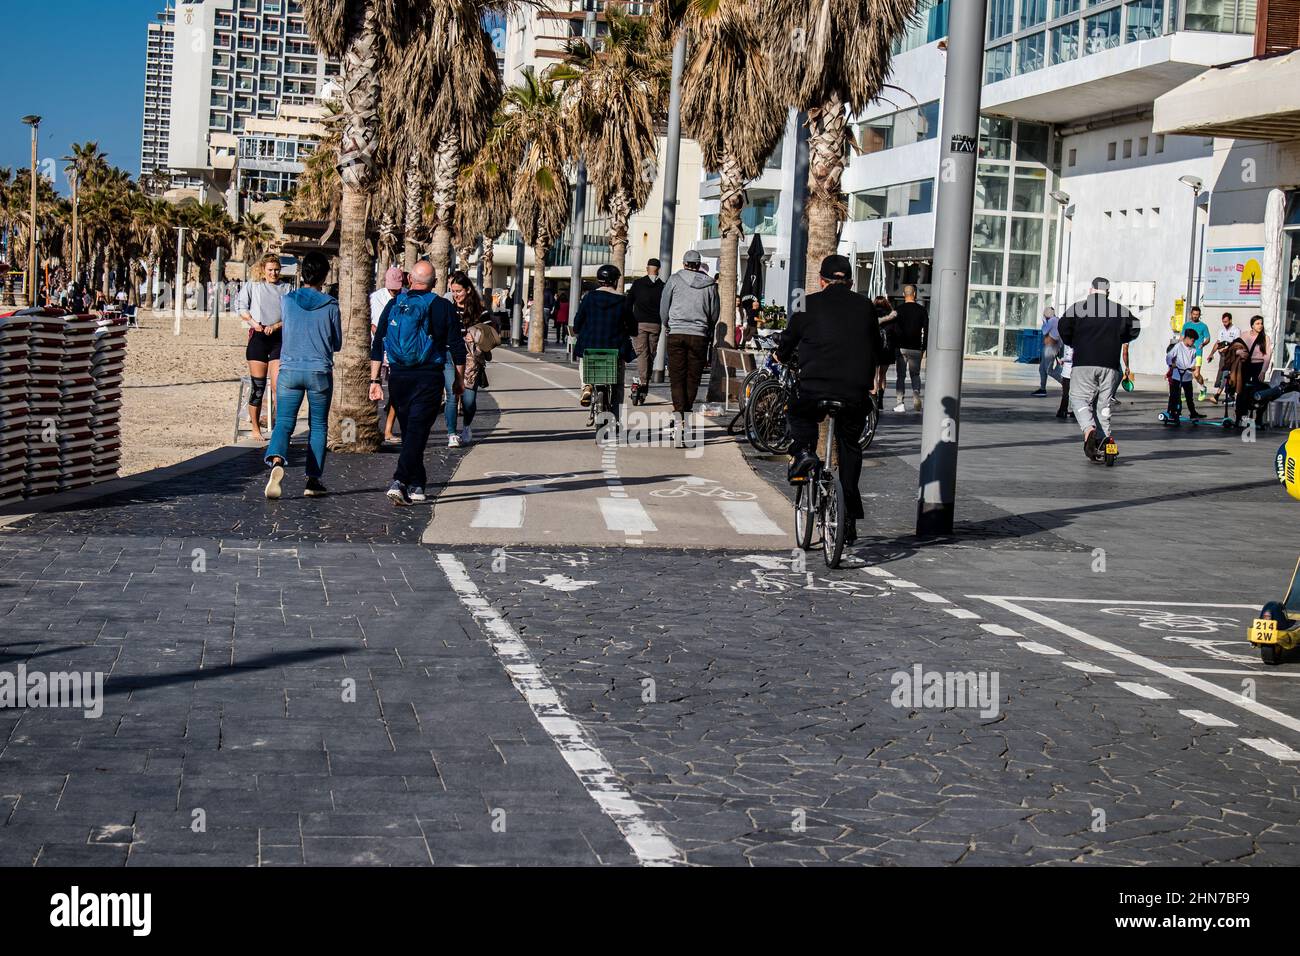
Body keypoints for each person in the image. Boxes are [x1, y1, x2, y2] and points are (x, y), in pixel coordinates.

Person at [778, 255, 879, 544]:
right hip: (853, 392)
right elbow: (878, 346)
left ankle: (805, 453)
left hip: (814, 388)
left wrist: (780, 355)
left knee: (798, 411)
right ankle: (847, 513)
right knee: (850, 447)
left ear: (821, 280)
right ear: (849, 281)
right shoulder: (866, 306)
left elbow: (788, 341)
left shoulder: (805, 302)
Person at [368, 261, 466, 506]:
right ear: (434, 283)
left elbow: (378, 343)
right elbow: (457, 347)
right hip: (429, 377)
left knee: (413, 433)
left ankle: (418, 484)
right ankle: (400, 481)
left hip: (399, 377)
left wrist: (374, 380)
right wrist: (459, 380)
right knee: (416, 433)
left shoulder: (394, 304)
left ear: (409, 279)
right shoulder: (444, 307)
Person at [263, 252, 342, 499]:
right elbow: (337, 343)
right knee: (318, 426)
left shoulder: (287, 301)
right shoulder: (330, 305)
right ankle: (313, 479)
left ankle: (277, 461)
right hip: (319, 371)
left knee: (285, 421)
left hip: (289, 369)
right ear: (324, 275)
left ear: (302, 273)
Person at [1057, 276, 1140, 459]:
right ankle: (1106, 439)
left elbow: (1063, 326)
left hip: (1084, 362)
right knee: (1103, 403)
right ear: (1108, 292)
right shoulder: (1120, 310)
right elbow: (1135, 326)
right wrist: (1120, 339)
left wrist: (1072, 341)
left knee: (1078, 398)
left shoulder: (1078, 308)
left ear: (1090, 290)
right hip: (1110, 364)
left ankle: (1089, 430)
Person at [234, 253, 291, 442]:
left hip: (278, 338)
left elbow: (290, 314)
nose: (273, 273)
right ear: (263, 270)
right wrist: (253, 323)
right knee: (258, 387)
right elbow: (240, 306)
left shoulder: (286, 288)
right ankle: (256, 427)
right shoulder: (254, 286)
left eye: (276, 270)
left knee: (278, 386)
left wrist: (276, 326)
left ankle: (278, 426)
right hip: (258, 337)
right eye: (270, 270)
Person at [660, 249, 719, 428]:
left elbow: (664, 305)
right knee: (693, 377)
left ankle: (679, 414)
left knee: (677, 376)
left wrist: (667, 324)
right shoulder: (710, 284)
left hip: (677, 333)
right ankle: (686, 412)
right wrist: (707, 327)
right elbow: (714, 312)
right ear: (698, 265)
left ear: (685, 263)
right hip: (699, 336)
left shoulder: (674, 280)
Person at [573, 264, 637, 408]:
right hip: (615, 348)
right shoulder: (623, 300)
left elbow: (578, 322)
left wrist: (578, 329)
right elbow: (632, 326)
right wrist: (632, 331)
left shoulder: (589, 298)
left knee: (584, 360)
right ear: (615, 281)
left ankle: (586, 386)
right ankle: (615, 413)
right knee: (618, 384)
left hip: (591, 345)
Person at [446, 271, 491, 447]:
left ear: (468, 290)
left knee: (469, 401)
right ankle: (451, 433)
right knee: (452, 394)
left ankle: (466, 426)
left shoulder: (480, 310)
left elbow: (491, 336)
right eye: (453, 291)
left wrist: (476, 336)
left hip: (471, 358)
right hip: (449, 355)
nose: (456, 295)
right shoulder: (448, 307)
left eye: (459, 291)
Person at [371, 266, 405, 444]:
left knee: (395, 392)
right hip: (378, 348)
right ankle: (371, 425)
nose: (394, 291)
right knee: (374, 388)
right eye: (391, 287)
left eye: (397, 287)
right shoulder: (375, 297)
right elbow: (370, 321)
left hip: (395, 350)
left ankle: (388, 430)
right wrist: (380, 332)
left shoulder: (405, 297)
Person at [627, 258, 665, 392]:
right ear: (658, 270)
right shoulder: (662, 286)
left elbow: (628, 302)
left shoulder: (638, 284)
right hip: (656, 324)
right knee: (651, 353)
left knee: (642, 353)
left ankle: (643, 382)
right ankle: (646, 380)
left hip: (639, 323)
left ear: (647, 268)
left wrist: (628, 320)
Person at [1231, 314, 1272, 430]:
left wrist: (1263, 371)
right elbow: (1236, 346)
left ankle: (1258, 419)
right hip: (1245, 366)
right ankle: (1240, 418)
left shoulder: (1265, 338)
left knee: (1260, 393)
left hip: (1258, 367)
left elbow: (1268, 356)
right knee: (1242, 392)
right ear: (1252, 325)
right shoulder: (1245, 335)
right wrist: (1239, 352)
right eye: (1258, 323)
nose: (1260, 326)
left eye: (1261, 323)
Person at [891, 285, 927, 412]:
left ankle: (900, 403)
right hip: (916, 347)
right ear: (915, 294)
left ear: (903, 294)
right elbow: (926, 330)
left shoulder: (898, 310)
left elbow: (894, 330)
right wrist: (924, 347)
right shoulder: (922, 310)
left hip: (901, 348)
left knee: (900, 376)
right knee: (915, 374)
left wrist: (894, 346)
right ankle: (916, 393)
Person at [1164, 326, 1204, 425]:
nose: (1193, 342)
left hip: (1187, 376)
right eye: (1192, 340)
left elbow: (1193, 360)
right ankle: (1173, 412)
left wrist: (1192, 367)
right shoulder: (1178, 346)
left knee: (1189, 396)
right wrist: (1171, 365)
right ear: (1187, 338)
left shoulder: (1193, 349)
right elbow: (1169, 356)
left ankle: (1193, 413)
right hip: (1177, 376)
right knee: (1175, 396)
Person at [1208, 311, 1243, 405]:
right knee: (1224, 375)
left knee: (1226, 374)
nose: (1225, 324)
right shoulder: (1221, 330)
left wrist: (1228, 348)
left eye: (1226, 322)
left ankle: (1217, 395)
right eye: (1223, 322)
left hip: (1232, 356)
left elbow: (1237, 344)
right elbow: (1218, 342)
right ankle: (1230, 396)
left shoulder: (1236, 330)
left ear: (1230, 320)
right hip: (1223, 356)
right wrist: (1211, 354)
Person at [1181, 306, 1211, 400]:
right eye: (1194, 314)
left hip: (1197, 352)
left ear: (1199, 315)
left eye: (1197, 315)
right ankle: (1186, 393)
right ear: (1191, 314)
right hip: (1186, 352)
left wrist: (1203, 344)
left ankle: (1203, 388)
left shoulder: (1203, 326)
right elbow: (1182, 337)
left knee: (1196, 374)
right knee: (1185, 373)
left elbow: (1208, 338)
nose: (1195, 316)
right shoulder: (1186, 325)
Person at [872, 295, 896, 409]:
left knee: (874, 376)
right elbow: (896, 332)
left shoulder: (871, 314)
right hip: (887, 348)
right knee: (882, 375)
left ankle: (874, 399)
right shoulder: (892, 315)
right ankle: (881, 399)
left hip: (874, 347)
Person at [1034, 306, 1059, 397]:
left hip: (1050, 348)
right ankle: (1042, 389)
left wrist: (1044, 321)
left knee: (1048, 369)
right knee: (1042, 369)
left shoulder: (1052, 321)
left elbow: (1044, 331)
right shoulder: (1056, 320)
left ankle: (1066, 383)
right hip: (1050, 347)